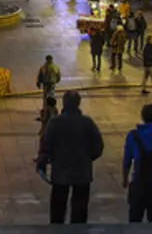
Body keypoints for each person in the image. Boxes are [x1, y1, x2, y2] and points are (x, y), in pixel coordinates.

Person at [37, 90, 104, 224]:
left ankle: (57, 231)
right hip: (82, 171)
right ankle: (77, 231)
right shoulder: (87, 123)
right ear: (78, 104)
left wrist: (42, 164)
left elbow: (46, 145)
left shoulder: (55, 123)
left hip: (61, 170)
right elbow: (98, 146)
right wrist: (87, 158)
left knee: (58, 205)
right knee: (80, 206)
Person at [36, 95, 58, 162]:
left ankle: (40, 156)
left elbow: (44, 119)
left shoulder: (47, 109)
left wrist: (39, 118)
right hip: (53, 129)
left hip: (46, 129)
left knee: (42, 143)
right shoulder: (55, 109)